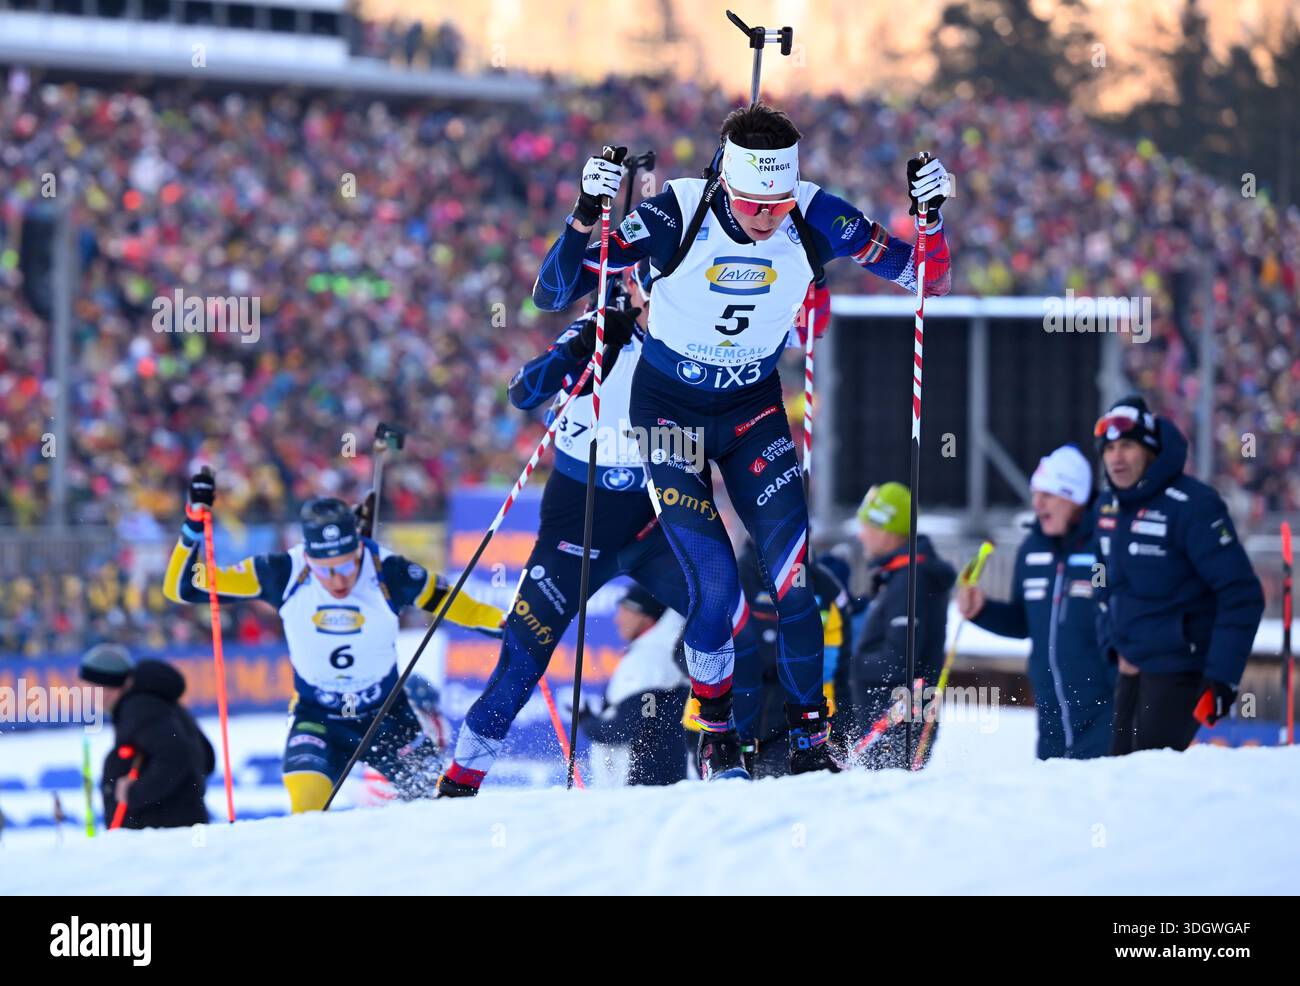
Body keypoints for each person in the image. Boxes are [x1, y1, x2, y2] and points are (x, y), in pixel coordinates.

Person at [533, 102, 953, 777]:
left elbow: (927, 278)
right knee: (718, 583)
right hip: (669, 415)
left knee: (793, 582)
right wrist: (586, 213)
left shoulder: (815, 213)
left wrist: (930, 219)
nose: (767, 218)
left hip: (751, 410)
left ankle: (809, 738)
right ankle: (718, 728)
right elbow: (552, 291)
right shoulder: (677, 212)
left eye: (777, 204)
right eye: (754, 203)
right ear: (726, 182)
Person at [440, 263, 752, 793]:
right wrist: (580, 350)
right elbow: (523, 392)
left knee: (730, 615)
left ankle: (726, 748)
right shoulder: (602, 331)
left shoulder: (696, 340)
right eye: (658, 298)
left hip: (652, 524)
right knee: (520, 661)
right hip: (576, 531)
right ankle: (459, 782)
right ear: (636, 294)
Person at [162, 473, 503, 811]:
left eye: (347, 566)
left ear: (359, 548)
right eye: (325, 570)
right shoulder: (282, 571)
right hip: (318, 717)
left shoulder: (389, 570)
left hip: (387, 715)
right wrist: (193, 523)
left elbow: (466, 609)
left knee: (435, 808)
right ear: (308, 557)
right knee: (306, 811)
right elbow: (182, 587)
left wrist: (511, 624)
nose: (338, 580)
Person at [1092, 396, 1265, 754]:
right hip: (1129, 671)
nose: (1116, 458)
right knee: (1117, 778)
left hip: (1181, 672)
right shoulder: (1106, 507)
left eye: (1127, 446)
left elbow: (1242, 594)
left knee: (1154, 782)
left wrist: (1222, 677)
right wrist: (1112, 643)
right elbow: (1101, 580)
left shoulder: (1193, 504)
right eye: (1108, 449)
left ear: (1150, 451)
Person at [958, 445, 1115, 759]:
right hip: (1050, 718)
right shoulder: (1032, 549)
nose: (1037, 504)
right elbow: (1024, 622)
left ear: (1074, 498)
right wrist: (982, 611)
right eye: (1035, 494)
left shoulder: (1106, 545)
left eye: (1048, 495)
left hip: (1104, 714)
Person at [850, 483, 956, 769]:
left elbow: (898, 662)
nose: (861, 535)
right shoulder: (900, 576)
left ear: (886, 531)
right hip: (890, 722)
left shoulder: (911, 580)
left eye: (866, 526)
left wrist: (849, 665)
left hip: (896, 724)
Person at [78, 642, 214, 829]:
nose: (89, 697)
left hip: (165, 833)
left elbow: (176, 756)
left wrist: (134, 793)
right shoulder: (157, 703)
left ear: (107, 685)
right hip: (177, 827)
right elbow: (206, 757)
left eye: (91, 689)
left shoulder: (139, 709)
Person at [570, 585, 690, 787]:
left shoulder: (652, 659)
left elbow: (628, 727)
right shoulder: (663, 651)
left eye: (626, 611)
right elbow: (644, 717)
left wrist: (588, 724)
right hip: (660, 783)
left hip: (643, 787)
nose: (618, 619)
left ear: (646, 616)